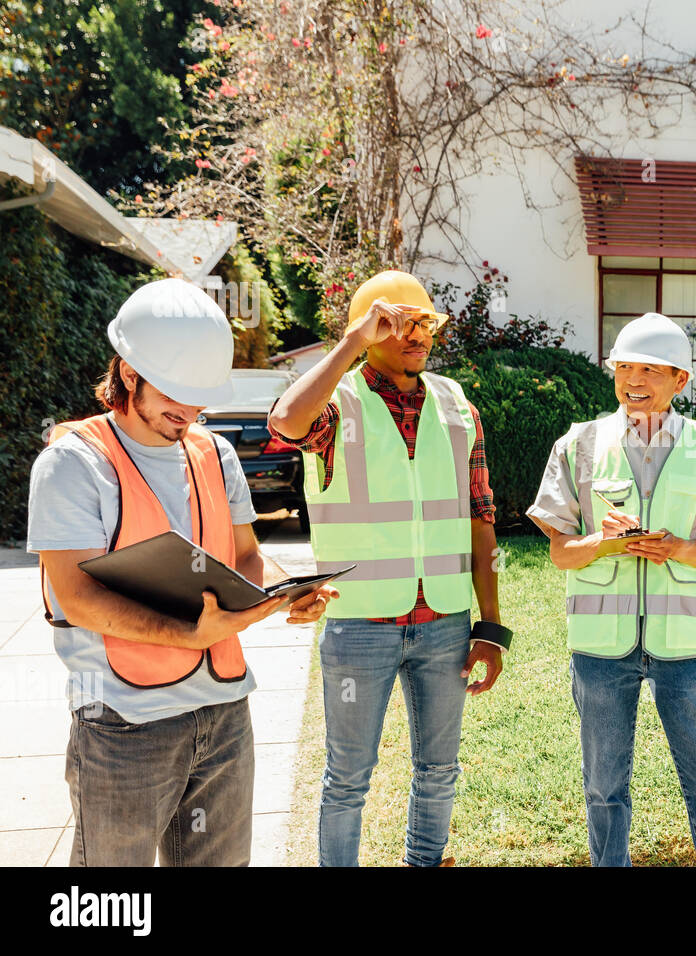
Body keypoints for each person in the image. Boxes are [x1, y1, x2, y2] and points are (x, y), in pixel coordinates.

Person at [29, 277, 338, 867]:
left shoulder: (214, 454)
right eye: (175, 393)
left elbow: (245, 556)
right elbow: (75, 599)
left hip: (223, 714)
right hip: (123, 724)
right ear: (126, 372)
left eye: (199, 397)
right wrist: (187, 634)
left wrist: (283, 591)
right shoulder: (73, 465)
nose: (190, 412)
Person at [267, 270, 511, 867]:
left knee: (439, 769)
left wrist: (491, 624)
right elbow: (286, 422)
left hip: (445, 622)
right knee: (348, 777)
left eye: (423, 323)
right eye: (397, 323)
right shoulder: (339, 404)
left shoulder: (458, 406)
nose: (415, 335)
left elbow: (482, 517)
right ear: (368, 328)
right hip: (360, 625)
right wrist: (351, 344)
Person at [527, 312, 696, 866]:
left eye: (650, 369)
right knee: (603, 789)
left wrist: (677, 547)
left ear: (680, 381)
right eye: (624, 366)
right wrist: (604, 544)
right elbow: (561, 552)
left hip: (688, 647)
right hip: (600, 649)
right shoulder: (577, 444)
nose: (634, 379)